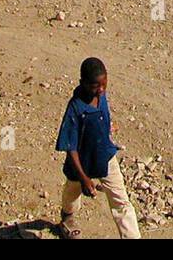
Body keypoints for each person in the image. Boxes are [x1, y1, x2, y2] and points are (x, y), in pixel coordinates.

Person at [56, 57, 141, 239]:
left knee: (121, 202)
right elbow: (70, 147)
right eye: (95, 86)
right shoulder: (76, 109)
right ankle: (67, 217)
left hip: (105, 157)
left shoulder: (101, 96)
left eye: (104, 84)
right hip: (82, 163)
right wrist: (84, 178)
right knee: (72, 193)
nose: (101, 90)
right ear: (83, 83)